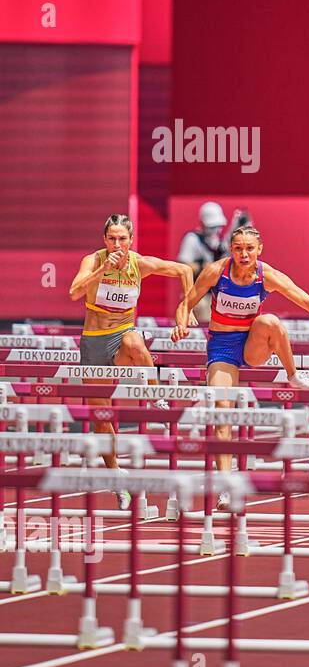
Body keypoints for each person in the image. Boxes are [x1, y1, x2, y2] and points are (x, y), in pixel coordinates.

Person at [177, 224, 309, 493]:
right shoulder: (216, 271)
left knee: (271, 321)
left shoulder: (267, 276)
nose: (244, 254)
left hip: (252, 344)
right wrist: (182, 321)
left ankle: (293, 375)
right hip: (222, 348)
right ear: (231, 250)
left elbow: (307, 301)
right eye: (238, 249)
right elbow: (185, 303)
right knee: (220, 413)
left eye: (250, 249)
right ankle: (226, 485)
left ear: (259, 250)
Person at [68, 214, 195, 505]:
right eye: (111, 238)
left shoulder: (140, 263)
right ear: (104, 240)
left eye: (122, 239)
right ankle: (116, 476)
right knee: (101, 418)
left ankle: (155, 393)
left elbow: (184, 270)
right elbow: (74, 292)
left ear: (131, 240)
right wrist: (102, 271)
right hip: (95, 340)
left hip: (123, 336)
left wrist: (186, 307)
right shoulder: (93, 260)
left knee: (135, 340)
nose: (117, 244)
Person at [179, 203, 251, 324]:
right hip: (199, 295)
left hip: (218, 294)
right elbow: (182, 266)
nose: (216, 230)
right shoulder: (193, 239)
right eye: (212, 226)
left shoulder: (218, 242)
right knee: (205, 325)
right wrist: (202, 266)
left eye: (218, 226)